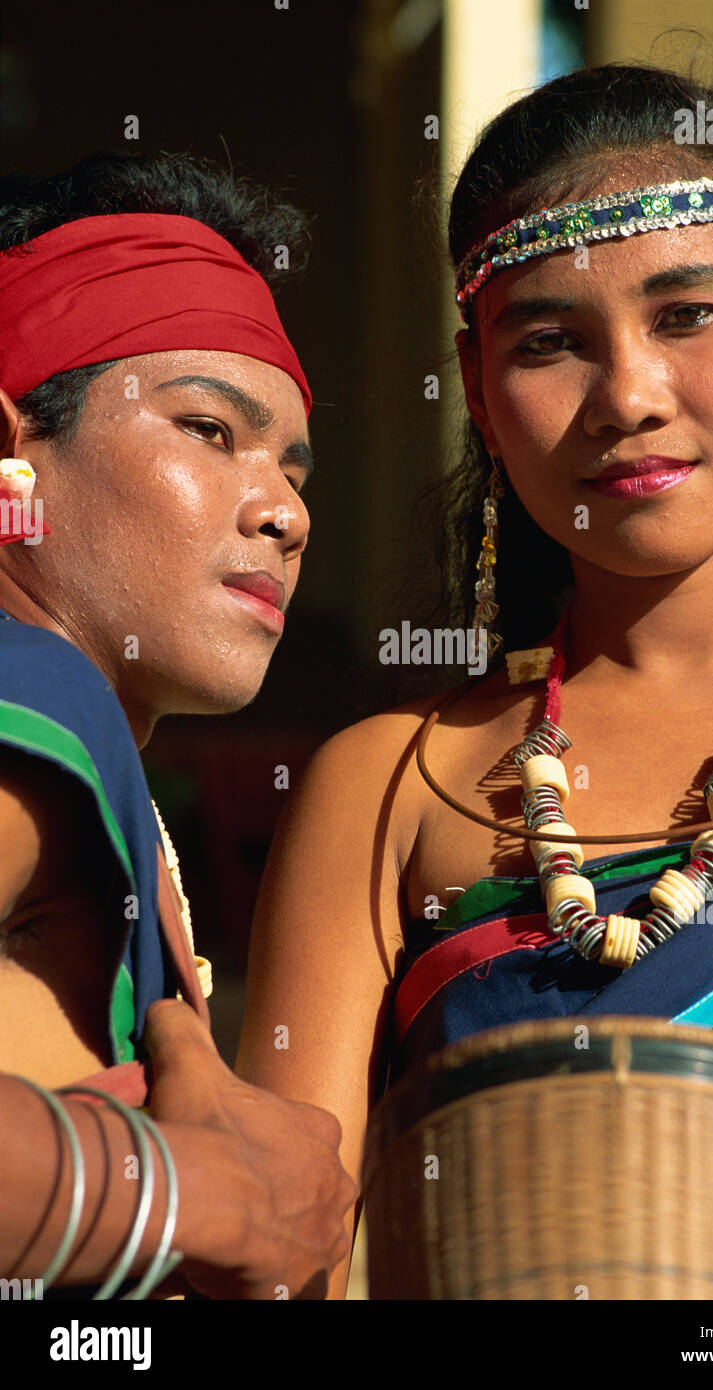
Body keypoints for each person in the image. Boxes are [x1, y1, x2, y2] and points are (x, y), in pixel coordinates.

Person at [235, 63, 713, 1298]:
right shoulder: (387, 789)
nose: (627, 396)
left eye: (684, 316)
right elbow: (275, 1261)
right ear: (477, 387)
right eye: (548, 342)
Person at [0, 151, 356, 1300]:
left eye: (294, 467)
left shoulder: (86, 748)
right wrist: (185, 1196)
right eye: (208, 429)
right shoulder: (33, 692)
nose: (284, 508)